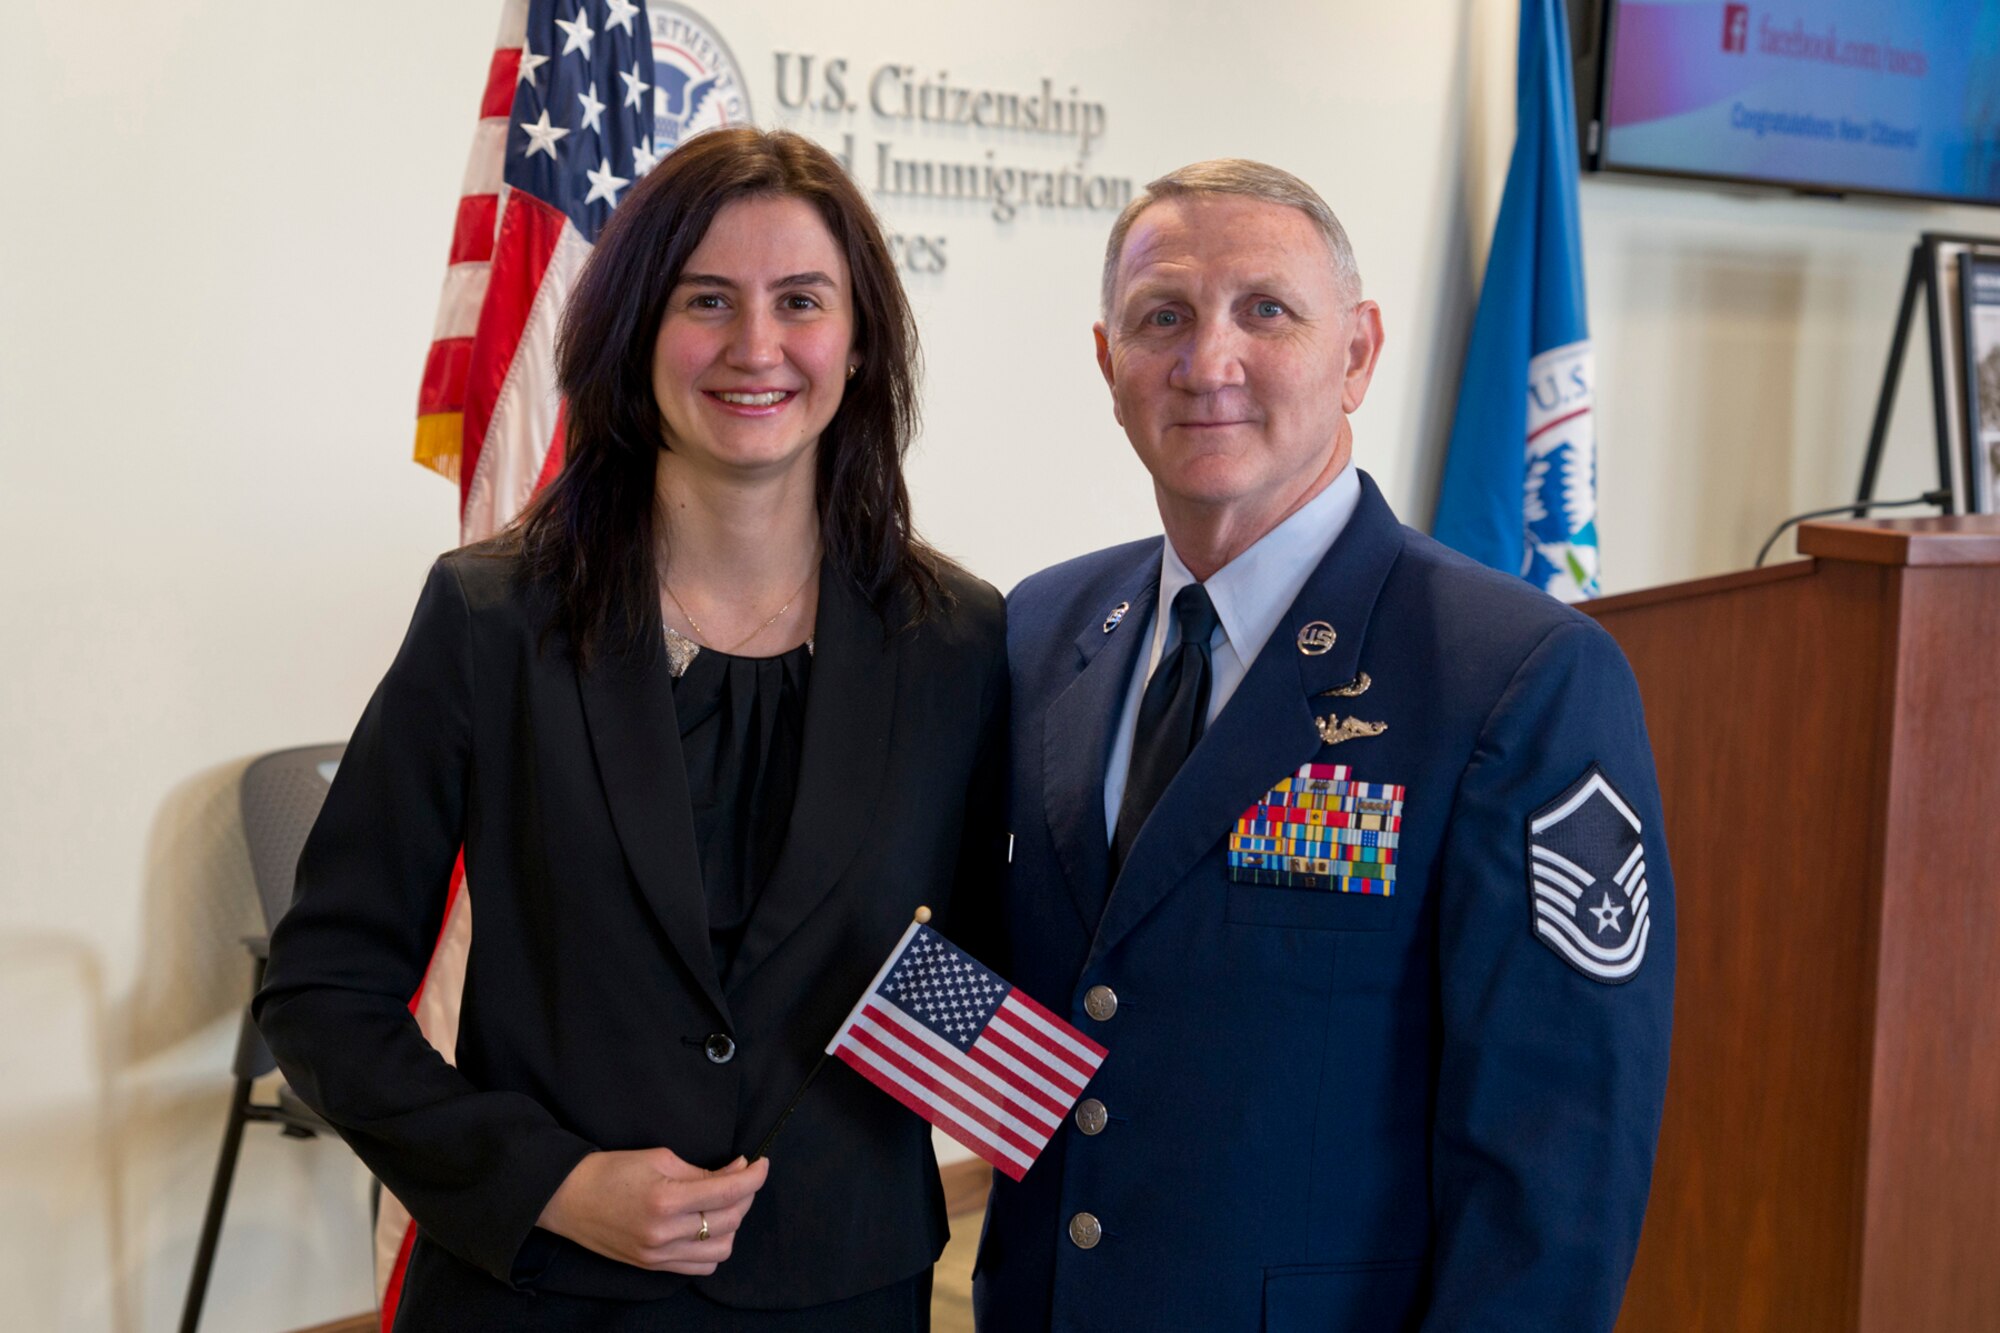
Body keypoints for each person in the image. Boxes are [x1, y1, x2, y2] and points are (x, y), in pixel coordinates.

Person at [256, 127, 1006, 1330]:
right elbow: (322, 989)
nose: (754, 346)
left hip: (841, 1286)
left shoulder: (960, 641)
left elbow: (974, 963)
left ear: (858, 344)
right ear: (636, 333)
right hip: (545, 1284)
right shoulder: (491, 618)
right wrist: (546, 1181)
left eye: (799, 301)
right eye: (705, 299)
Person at [975, 160, 1674, 1331]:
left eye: (1266, 310)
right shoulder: (1041, 628)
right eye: (1163, 318)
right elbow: (1039, 990)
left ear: (1355, 352)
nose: (1208, 362)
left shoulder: (1512, 674)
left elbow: (1555, 1158)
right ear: (1108, 365)